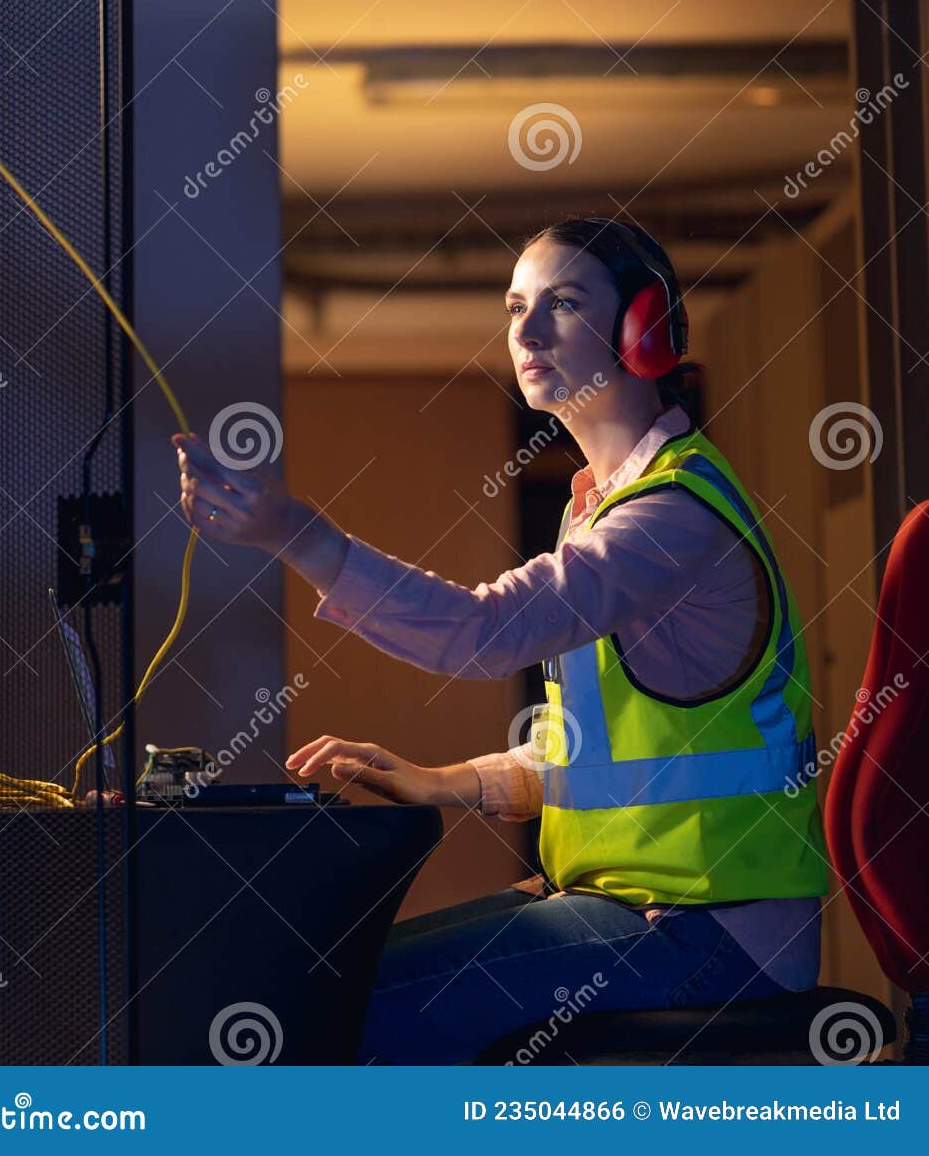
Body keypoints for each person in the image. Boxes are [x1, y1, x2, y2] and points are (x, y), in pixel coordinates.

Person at [172, 216, 829, 1065]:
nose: (524, 331)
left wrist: (298, 536)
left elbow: (483, 633)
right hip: (639, 907)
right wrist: (444, 780)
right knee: (329, 981)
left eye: (560, 303)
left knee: (331, 1012)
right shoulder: (599, 506)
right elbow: (612, 751)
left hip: (710, 935)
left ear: (643, 330)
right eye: (515, 305)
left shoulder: (671, 518)